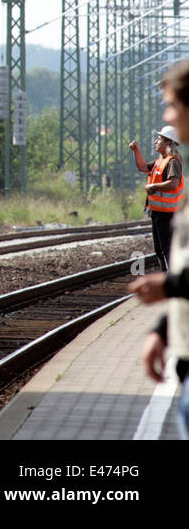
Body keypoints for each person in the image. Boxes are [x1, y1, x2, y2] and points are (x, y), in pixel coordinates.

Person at [129, 60, 189, 438]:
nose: (167, 115)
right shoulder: (163, 160)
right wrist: (164, 331)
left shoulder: (175, 164)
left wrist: (168, 287)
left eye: (171, 106)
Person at [129, 124, 183, 271]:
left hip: (167, 214)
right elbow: (143, 167)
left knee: (166, 249)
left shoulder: (173, 162)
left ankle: (171, 279)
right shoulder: (160, 161)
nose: (156, 142)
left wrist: (152, 187)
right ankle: (167, 277)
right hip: (158, 212)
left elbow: (173, 183)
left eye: (159, 139)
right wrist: (136, 151)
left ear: (167, 142)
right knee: (160, 249)